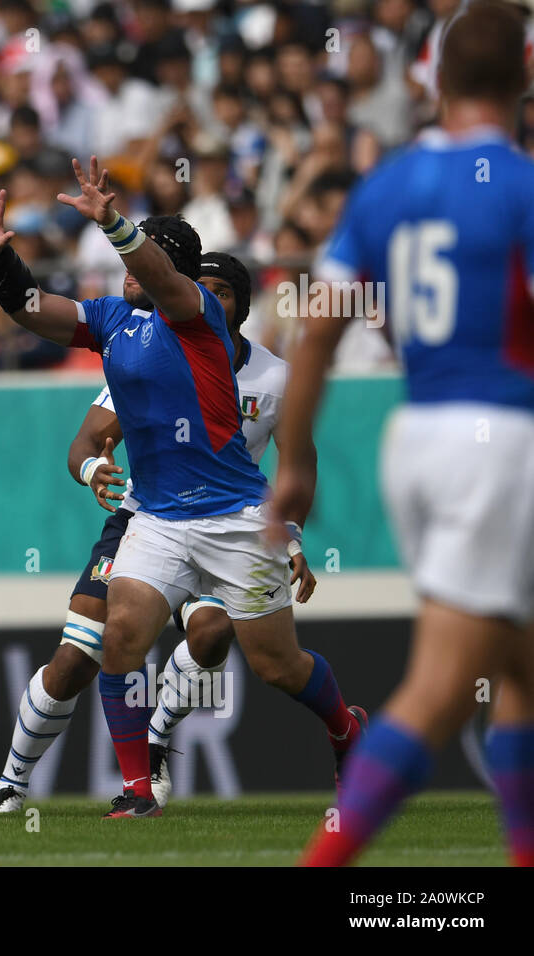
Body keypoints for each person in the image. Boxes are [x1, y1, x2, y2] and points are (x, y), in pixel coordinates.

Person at [0, 169, 362, 818]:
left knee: (277, 665)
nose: (123, 267)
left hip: (234, 515)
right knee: (118, 636)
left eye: (139, 254)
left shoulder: (196, 314)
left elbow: (159, 275)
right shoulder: (113, 320)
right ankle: (138, 789)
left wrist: (115, 225)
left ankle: (346, 729)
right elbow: (30, 310)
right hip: (153, 515)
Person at [275, 1, 534, 867]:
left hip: (415, 436)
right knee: (436, 691)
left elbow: (317, 326)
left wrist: (298, 462)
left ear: (431, 77)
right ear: (525, 78)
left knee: (519, 671)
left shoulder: (383, 185)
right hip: (497, 441)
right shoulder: (522, 185)